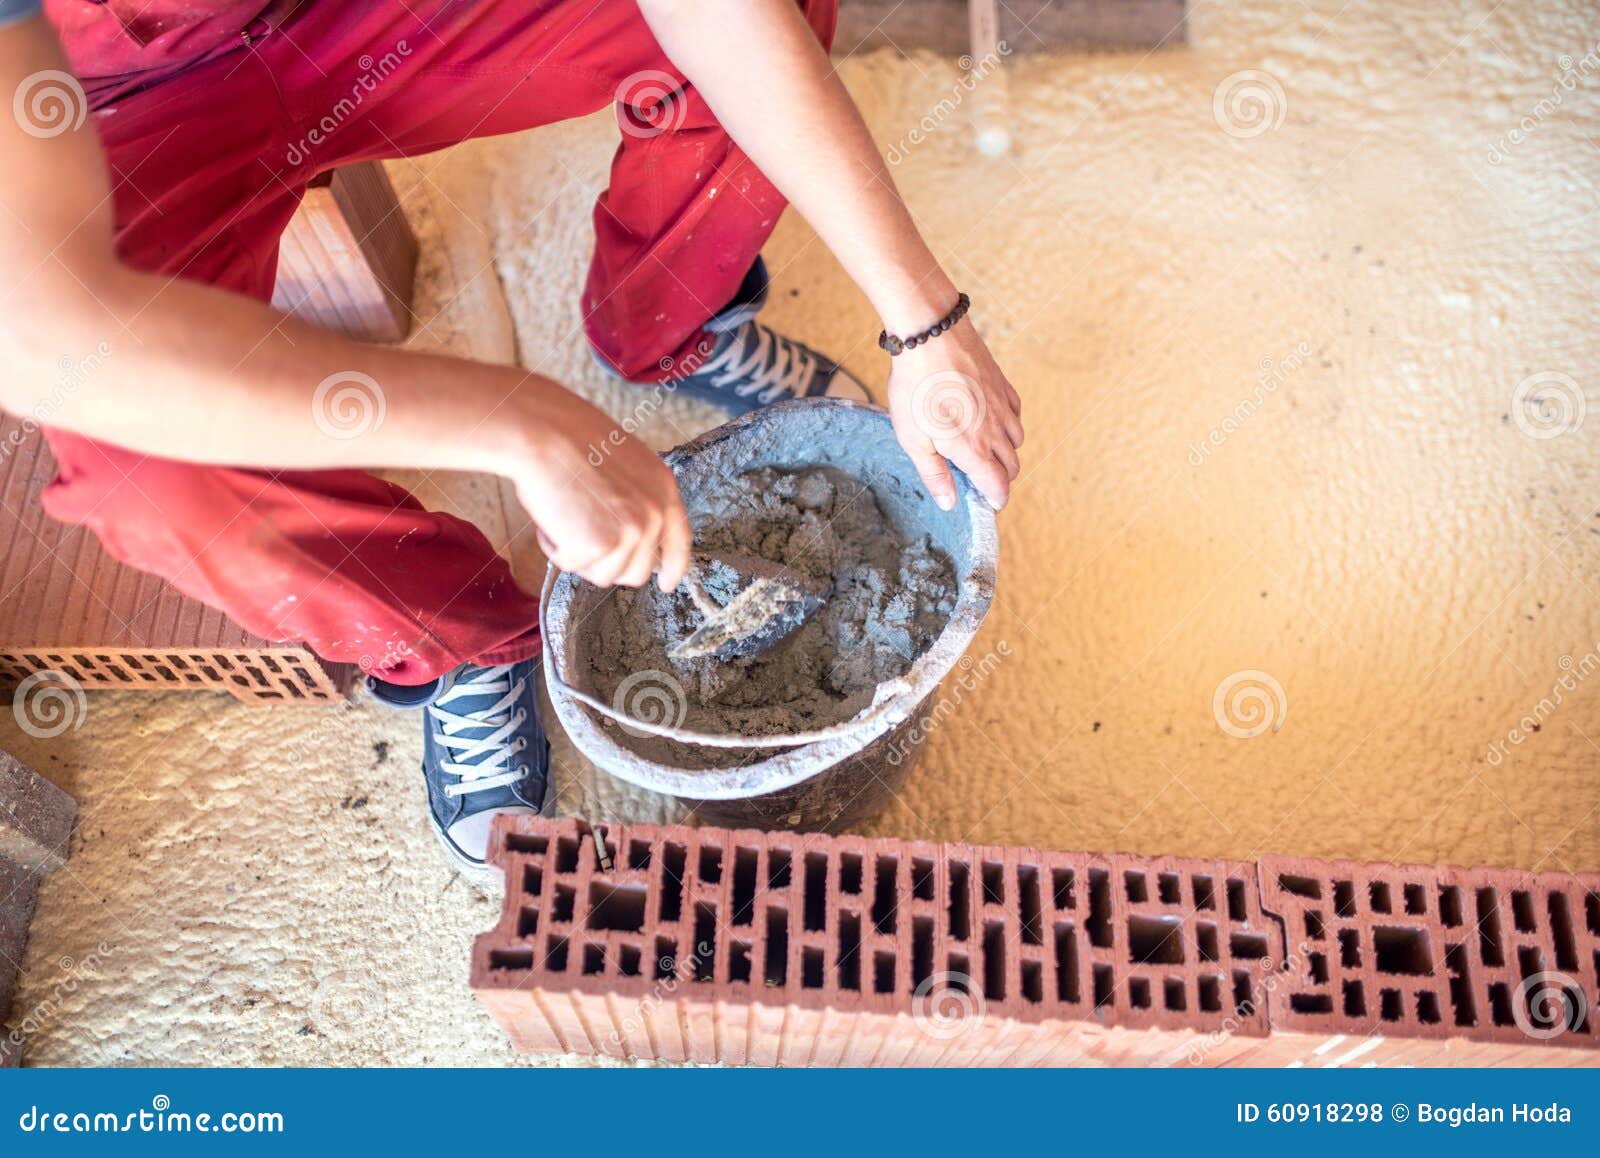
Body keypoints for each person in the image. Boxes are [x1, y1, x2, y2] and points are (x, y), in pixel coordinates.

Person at [0, 0, 1023, 880]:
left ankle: (660, 324)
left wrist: (925, 321)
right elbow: (47, 337)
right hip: (101, 100)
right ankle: (455, 637)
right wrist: (518, 420)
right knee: (152, 481)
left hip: (366, 26)